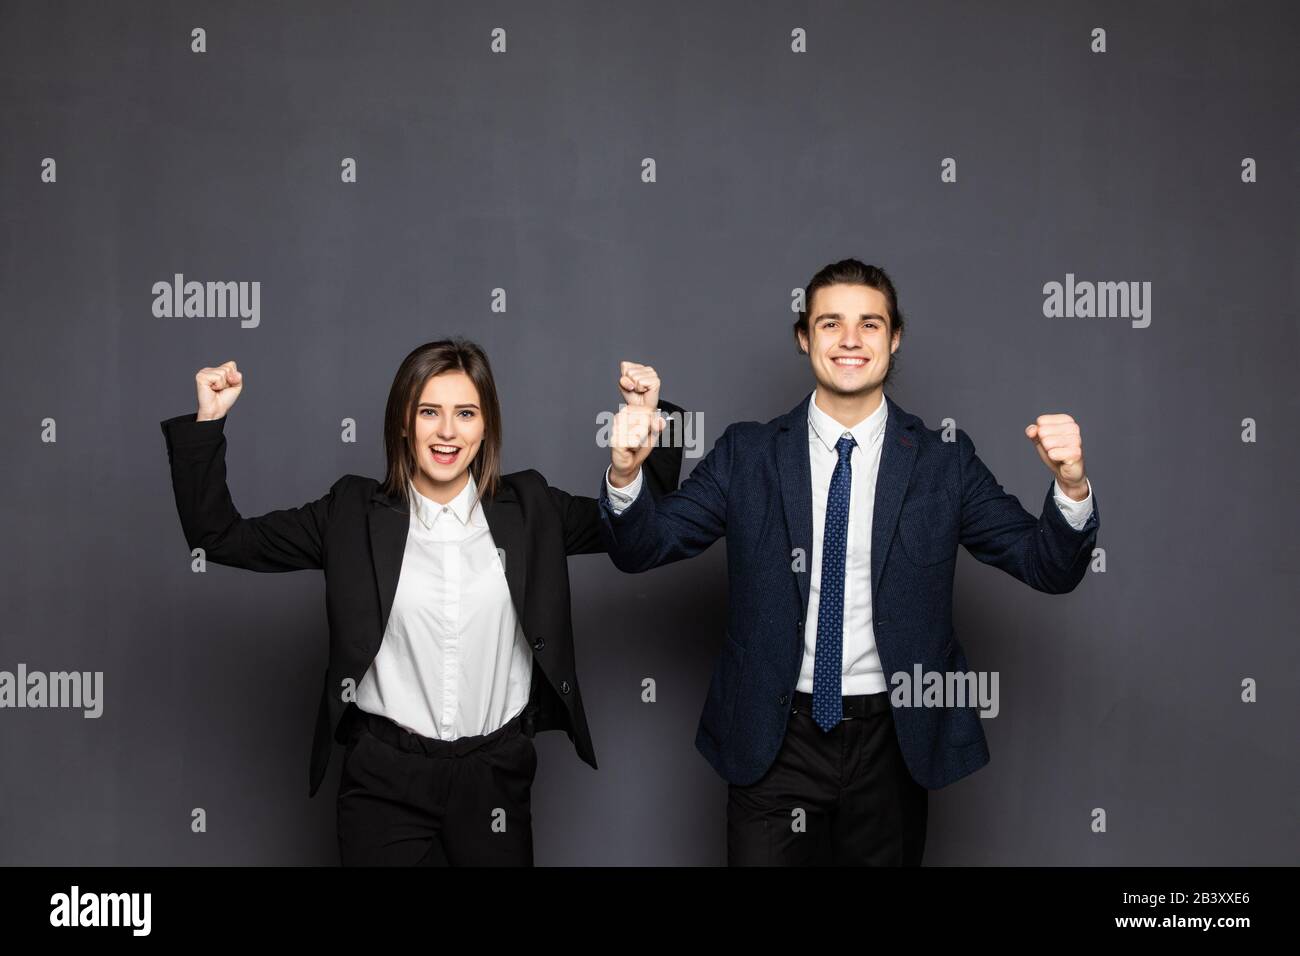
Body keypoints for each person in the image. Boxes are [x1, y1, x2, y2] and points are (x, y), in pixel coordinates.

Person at [599, 259, 1100, 865]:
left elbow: (1046, 566)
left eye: (869, 323)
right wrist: (626, 474)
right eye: (830, 323)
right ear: (804, 338)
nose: (851, 340)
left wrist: (1070, 486)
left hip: (894, 738)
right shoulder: (747, 453)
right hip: (772, 734)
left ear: (894, 339)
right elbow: (642, 548)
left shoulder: (944, 460)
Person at [160, 338, 681, 865]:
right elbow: (220, 537)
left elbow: (643, 534)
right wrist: (209, 423)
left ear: (487, 427)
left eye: (466, 413)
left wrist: (630, 464)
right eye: (429, 411)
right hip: (384, 778)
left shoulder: (532, 508)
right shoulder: (350, 513)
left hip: (494, 776)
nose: (448, 431)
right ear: (404, 423)